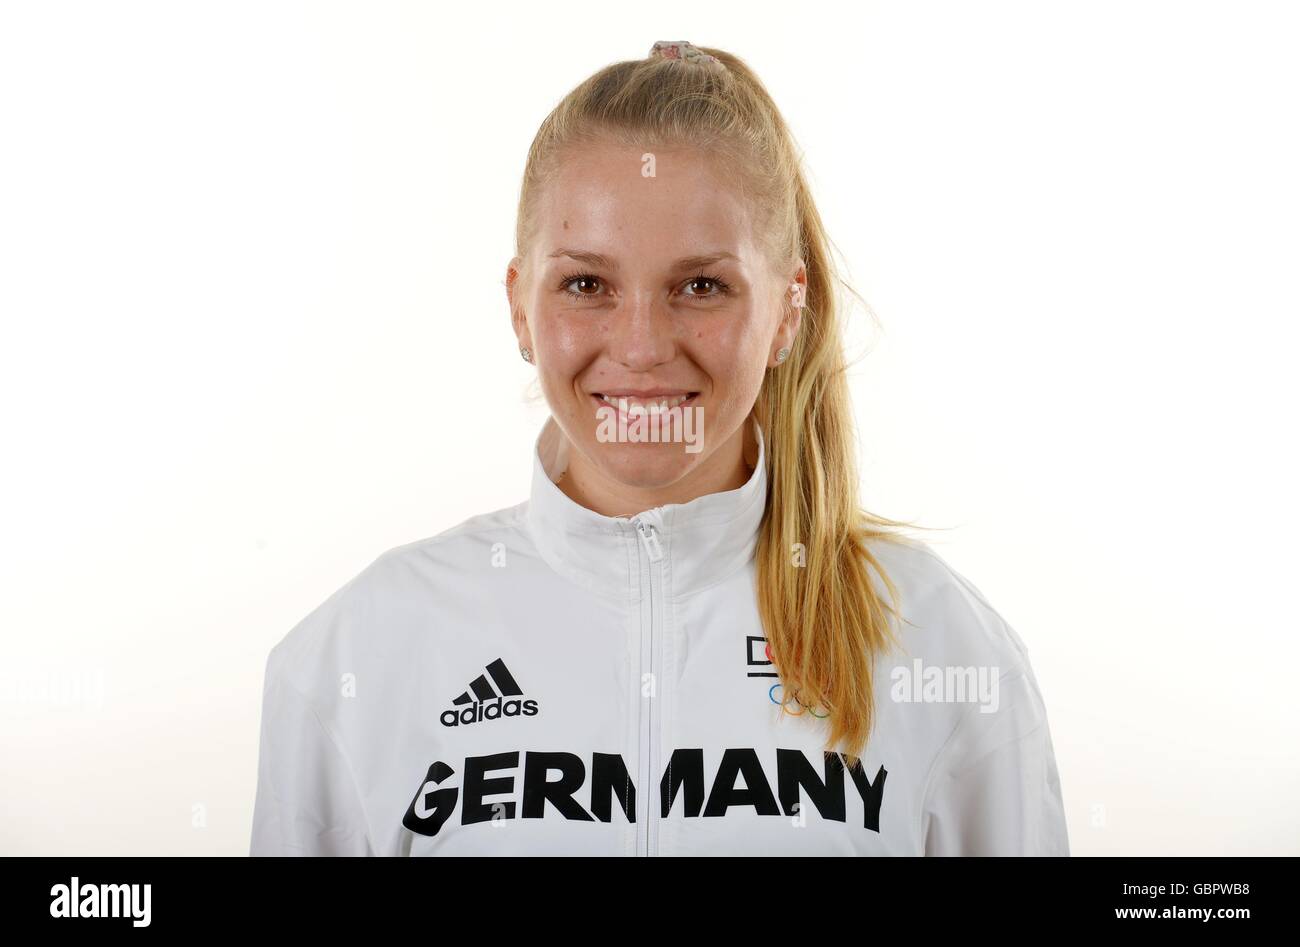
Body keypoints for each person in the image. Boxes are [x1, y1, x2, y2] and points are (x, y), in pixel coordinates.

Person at [249, 40, 1069, 856]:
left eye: (700, 286)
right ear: (519, 308)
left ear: (787, 311)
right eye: (585, 284)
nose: (641, 346)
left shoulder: (944, 648)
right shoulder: (357, 654)